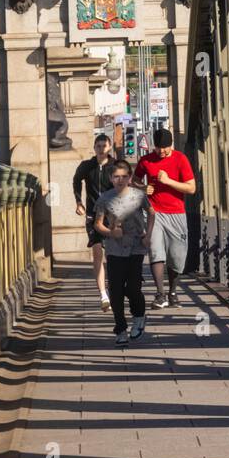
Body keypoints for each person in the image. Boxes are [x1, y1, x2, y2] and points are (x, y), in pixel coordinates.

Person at [133, 128, 196, 309]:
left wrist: (168, 182)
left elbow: (191, 188)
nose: (161, 151)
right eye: (158, 148)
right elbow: (134, 181)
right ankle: (160, 294)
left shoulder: (180, 159)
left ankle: (173, 292)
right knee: (155, 250)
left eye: (165, 148)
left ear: (171, 145)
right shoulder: (145, 160)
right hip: (153, 212)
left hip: (176, 213)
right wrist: (143, 188)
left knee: (177, 256)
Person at [94, 159, 152, 347]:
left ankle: (139, 316)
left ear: (129, 177)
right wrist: (110, 232)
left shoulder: (138, 196)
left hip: (136, 246)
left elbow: (151, 213)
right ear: (111, 178)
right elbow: (98, 224)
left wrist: (148, 236)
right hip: (115, 248)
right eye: (116, 177)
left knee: (133, 287)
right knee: (116, 291)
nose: (120, 180)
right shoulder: (104, 198)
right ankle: (120, 329)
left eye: (124, 176)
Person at [73, 134, 116, 310]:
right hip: (93, 214)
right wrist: (78, 202)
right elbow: (76, 180)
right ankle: (103, 294)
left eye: (104, 146)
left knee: (113, 255)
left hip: (112, 216)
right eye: (98, 146)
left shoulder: (116, 167)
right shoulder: (87, 166)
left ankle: (115, 289)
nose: (101, 149)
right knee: (97, 252)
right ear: (94, 148)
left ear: (109, 147)